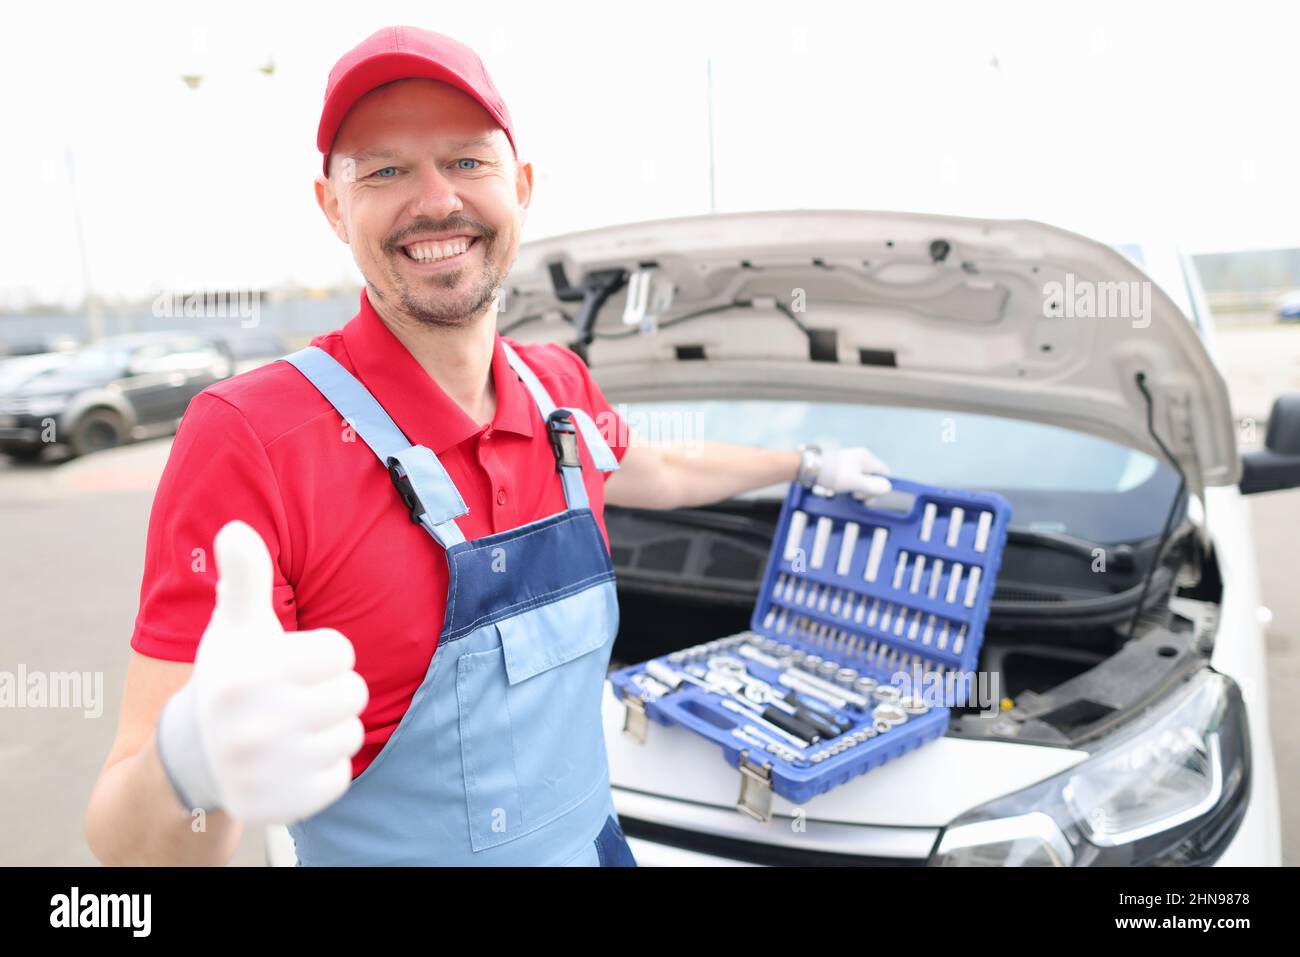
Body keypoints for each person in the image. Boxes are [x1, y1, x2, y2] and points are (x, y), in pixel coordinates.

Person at [84, 25, 891, 866]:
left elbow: (664, 466)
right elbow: (128, 843)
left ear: (523, 185)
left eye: (467, 161)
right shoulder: (251, 435)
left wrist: (807, 464)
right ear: (332, 205)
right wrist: (192, 771)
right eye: (386, 169)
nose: (435, 200)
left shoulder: (559, 391)